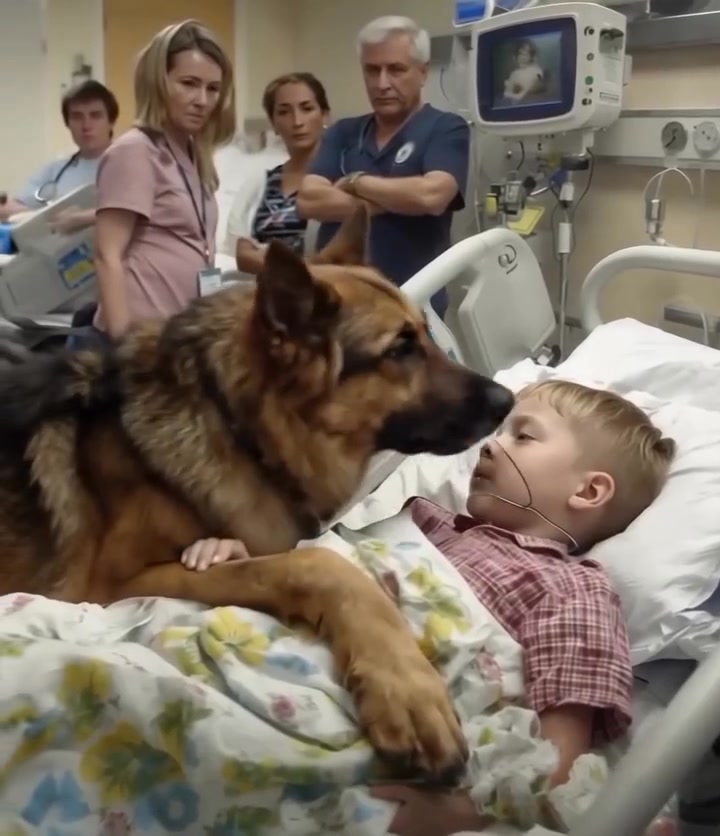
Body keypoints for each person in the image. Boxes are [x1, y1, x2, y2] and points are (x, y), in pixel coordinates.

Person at [363, 380, 677, 835]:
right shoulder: (427, 522)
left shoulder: (571, 587)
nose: (490, 445)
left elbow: (556, 753)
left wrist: (461, 816)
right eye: (501, 431)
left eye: (523, 436)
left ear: (588, 492)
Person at [296, 16, 470, 314]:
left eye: (396, 70)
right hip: (340, 306)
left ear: (423, 72)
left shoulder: (445, 128)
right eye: (372, 70)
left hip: (413, 305)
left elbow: (431, 196)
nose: (382, 83)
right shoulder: (342, 132)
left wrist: (356, 182)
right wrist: (397, 199)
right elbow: (309, 201)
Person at [87, 19, 235, 347]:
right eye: (189, 83)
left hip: (175, 340)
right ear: (159, 82)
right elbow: (106, 255)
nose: (202, 99)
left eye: (212, 88)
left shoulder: (194, 152)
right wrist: (123, 343)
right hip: (135, 345)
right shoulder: (136, 150)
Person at [224, 72, 330, 276]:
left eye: (307, 109)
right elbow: (242, 255)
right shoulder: (258, 184)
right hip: (264, 297)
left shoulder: (337, 179)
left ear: (324, 115)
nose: (297, 121)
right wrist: (298, 271)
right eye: (284, 112)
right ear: (274, 123)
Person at [0, 80, 119, 229]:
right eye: (77, 117)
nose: (86, 125)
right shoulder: (56, 169)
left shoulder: (128, 163)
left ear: (111, 121)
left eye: (95, 116)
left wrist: (75, 218)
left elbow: (130, 213)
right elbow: (10, 209)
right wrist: (50, 217)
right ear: (68, 123)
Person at [502, 39, 546, 104]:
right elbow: (511, 83)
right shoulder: (515, 73)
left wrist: (539, 79)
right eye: (521, 53)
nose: (523, 56)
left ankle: (520, 95)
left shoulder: (535, 69)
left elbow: (540, 78)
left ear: (531, 56)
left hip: (531, 89)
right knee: (508, 82)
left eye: (526, 54)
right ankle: (510, 96)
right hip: (518, 90)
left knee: (537, 74)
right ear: (516, 56)